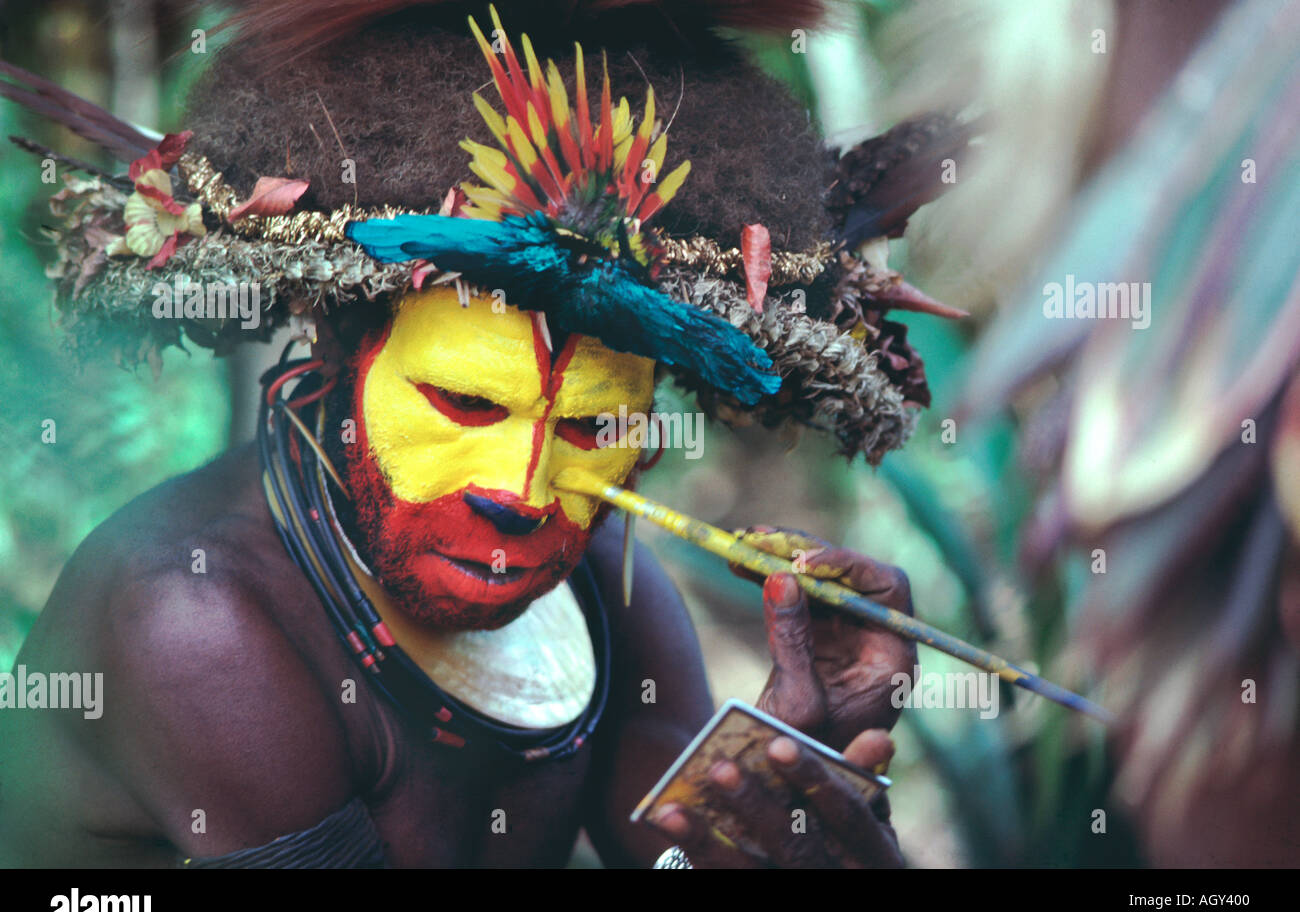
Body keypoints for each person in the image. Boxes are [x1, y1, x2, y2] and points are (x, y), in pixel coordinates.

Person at [0, 0, 953, 868]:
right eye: (465, 404)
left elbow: (681, 860)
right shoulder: (193, 622)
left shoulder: (600, 585)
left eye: (586, 424)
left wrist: (797, 766)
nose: (521, 490)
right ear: (335, 355)